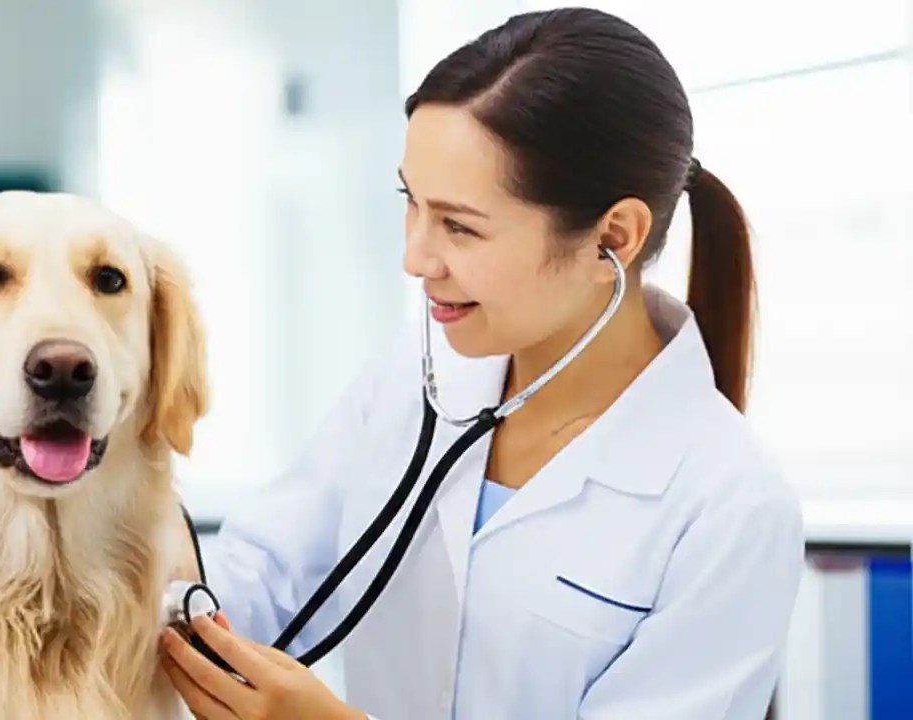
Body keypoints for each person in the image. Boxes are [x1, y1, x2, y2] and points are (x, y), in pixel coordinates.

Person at [158, 7, 804, 719]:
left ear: (611, 240)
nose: (415, 258)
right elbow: (260, 583)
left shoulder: (730, 507)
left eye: (459, 226)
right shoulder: (416, 375)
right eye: (412, 202)